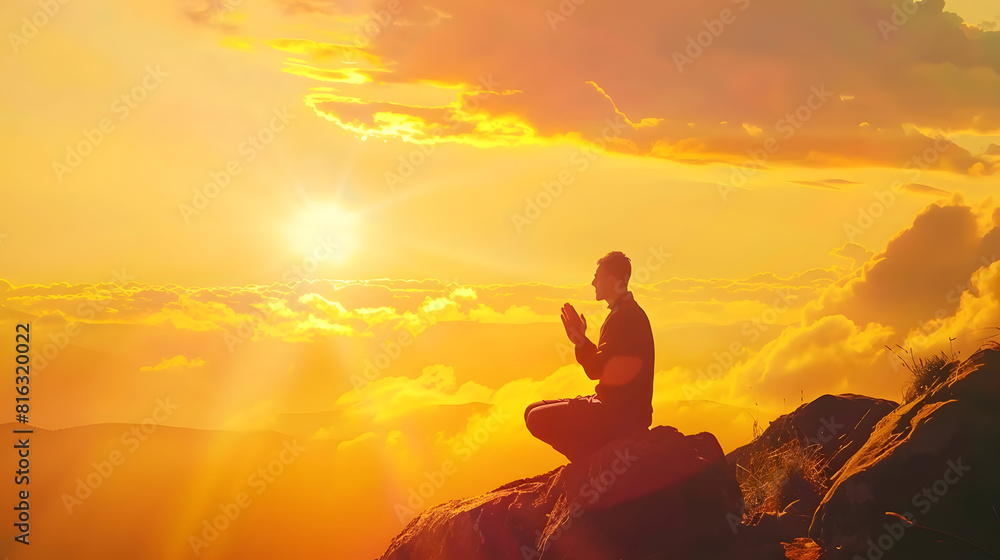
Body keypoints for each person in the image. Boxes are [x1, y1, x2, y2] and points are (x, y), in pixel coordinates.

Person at [524, 251, 655, 462]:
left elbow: (596, 371)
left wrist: (581, 342)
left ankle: (589, 457)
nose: (593, 282)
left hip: (619, 414)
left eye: (597, 277)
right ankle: (591, 454)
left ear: (612, 279)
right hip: (621, 409)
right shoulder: (625, 313)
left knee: (535, 418)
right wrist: (582, 341)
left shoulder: (624, 318)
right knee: (531, 410)